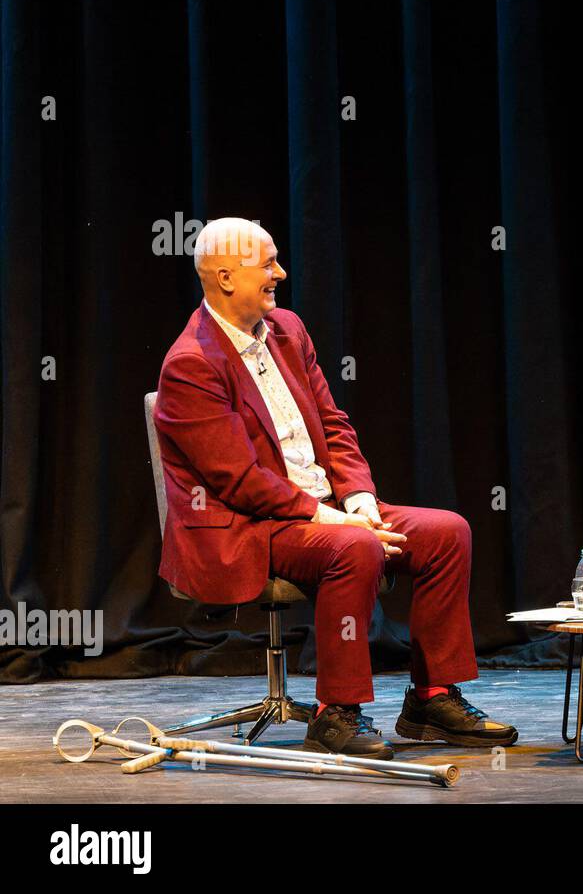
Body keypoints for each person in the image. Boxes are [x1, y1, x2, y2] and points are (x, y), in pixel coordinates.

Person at [153, 217, 517, 758]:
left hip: (324, 511)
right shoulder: (192, 364)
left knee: (447, 533)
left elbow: (333, 424)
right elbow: (239, 482)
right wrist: (336, 521)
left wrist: (359, 500)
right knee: (355, 546)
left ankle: (432, 697)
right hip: (247, 526)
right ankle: (336, 714)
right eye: (267, 263)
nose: (281, 272)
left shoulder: (288, 330)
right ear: (226, 277)